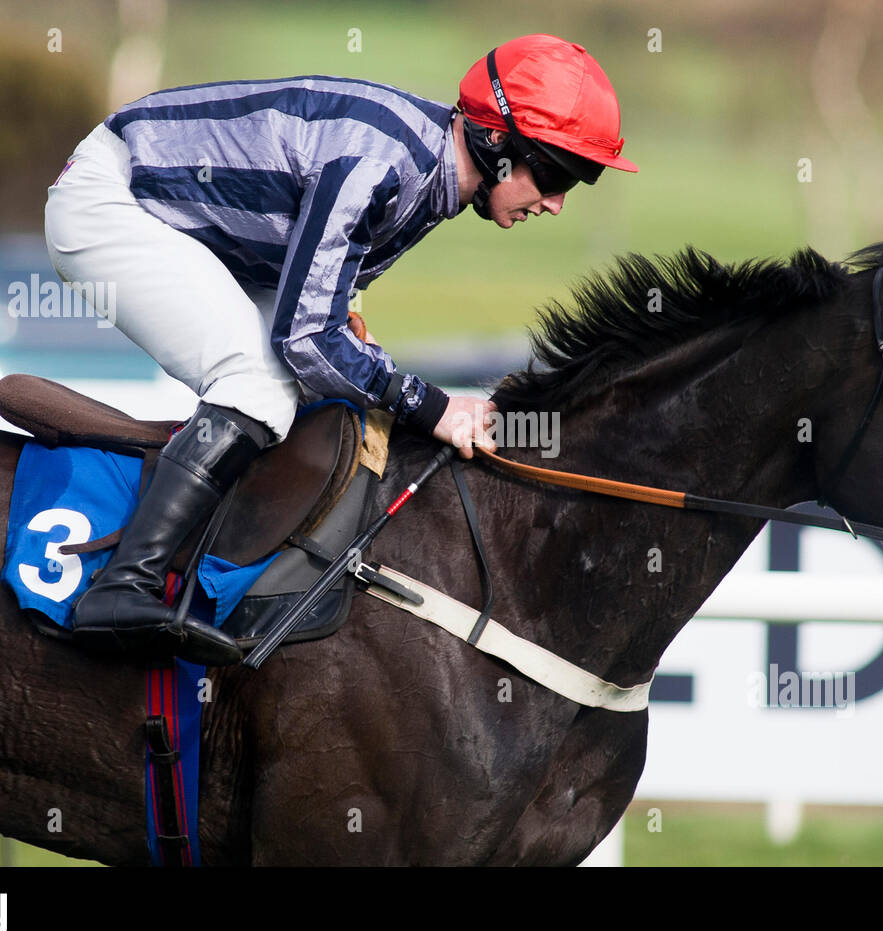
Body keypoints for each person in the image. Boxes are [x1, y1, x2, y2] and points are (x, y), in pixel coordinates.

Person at [43, 33, 638, 666]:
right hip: (113, 199)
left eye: (580, 179)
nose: (556, 201)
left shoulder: (434, 180)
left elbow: (335, 309)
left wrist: (379, 375)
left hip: (194, 223)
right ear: (496, 142)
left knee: (325, 388)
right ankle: (123, 584)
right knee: (258, 383)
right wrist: (432, 406)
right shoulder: (383, 163)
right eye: (553, 173)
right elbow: (305, 338)